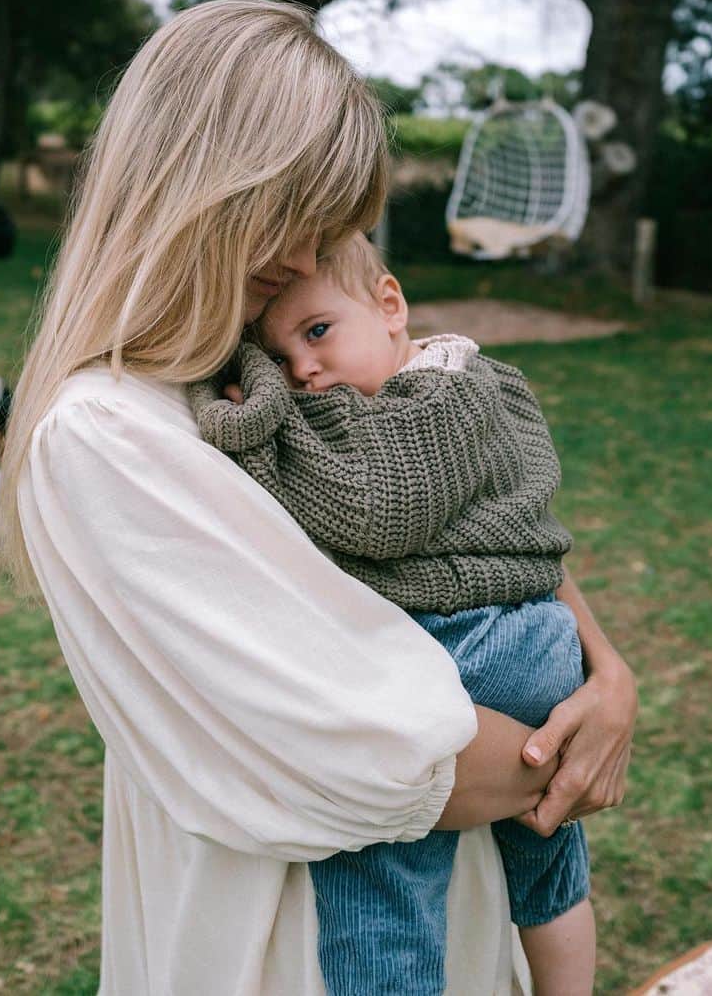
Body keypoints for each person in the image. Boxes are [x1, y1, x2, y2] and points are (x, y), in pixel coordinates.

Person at [0, 0, 636, 995]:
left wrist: (605, 669)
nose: (307, 261)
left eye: (331, 227)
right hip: (288, 931)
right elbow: (380, 753)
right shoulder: (109, 431)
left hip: (456, 879)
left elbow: (475, 525)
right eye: (293, 218)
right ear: (203, 191)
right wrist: (575, 749)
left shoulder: (253, 368)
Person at [191, 232, 596, 996]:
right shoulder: (405, 401)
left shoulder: (444, 389)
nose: (303, 371)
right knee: (550, 865)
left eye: (317, 333)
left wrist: (252, 420)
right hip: (534, 639)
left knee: (376, 844)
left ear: (390, 305)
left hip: (476, 641)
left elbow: (380, 513)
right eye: (276, 360)